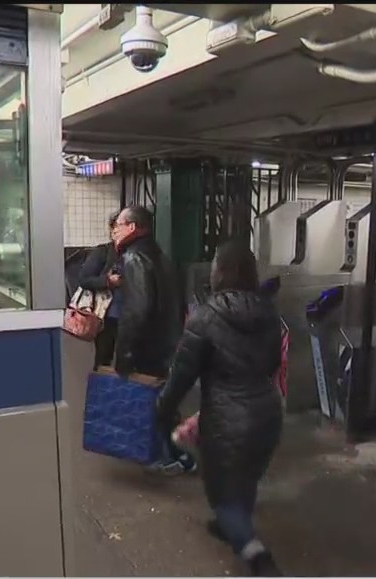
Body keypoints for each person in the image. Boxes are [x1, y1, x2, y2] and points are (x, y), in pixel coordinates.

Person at [155, 241, 284, 577]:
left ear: (220, 272)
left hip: (226, 420)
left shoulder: (205, 317)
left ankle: (256, 555)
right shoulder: (269, 312)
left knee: (222, 496)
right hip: (268, 413)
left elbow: (181, 376)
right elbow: (272, 363)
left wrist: (162, 409)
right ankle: (231, 527)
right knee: (247, 478)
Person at [111, 205, 194, 474]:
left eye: (119, 225)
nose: (114, 230)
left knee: (150, 404)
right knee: (164, 402)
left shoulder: (135, 259)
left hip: (148, 347)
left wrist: (124, 354)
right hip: (168, 343)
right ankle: (179, 455)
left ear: (132, 227)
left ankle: (167, 458)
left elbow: (137, 309)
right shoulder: (163, 257)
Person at [77, 210, 122, 368]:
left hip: (131, 315)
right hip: (107, 315)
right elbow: (84, 280)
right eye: (118, 226)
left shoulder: (137, 253)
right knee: (104, 356)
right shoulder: (103, 252)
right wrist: (108, 281)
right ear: (112, 229)